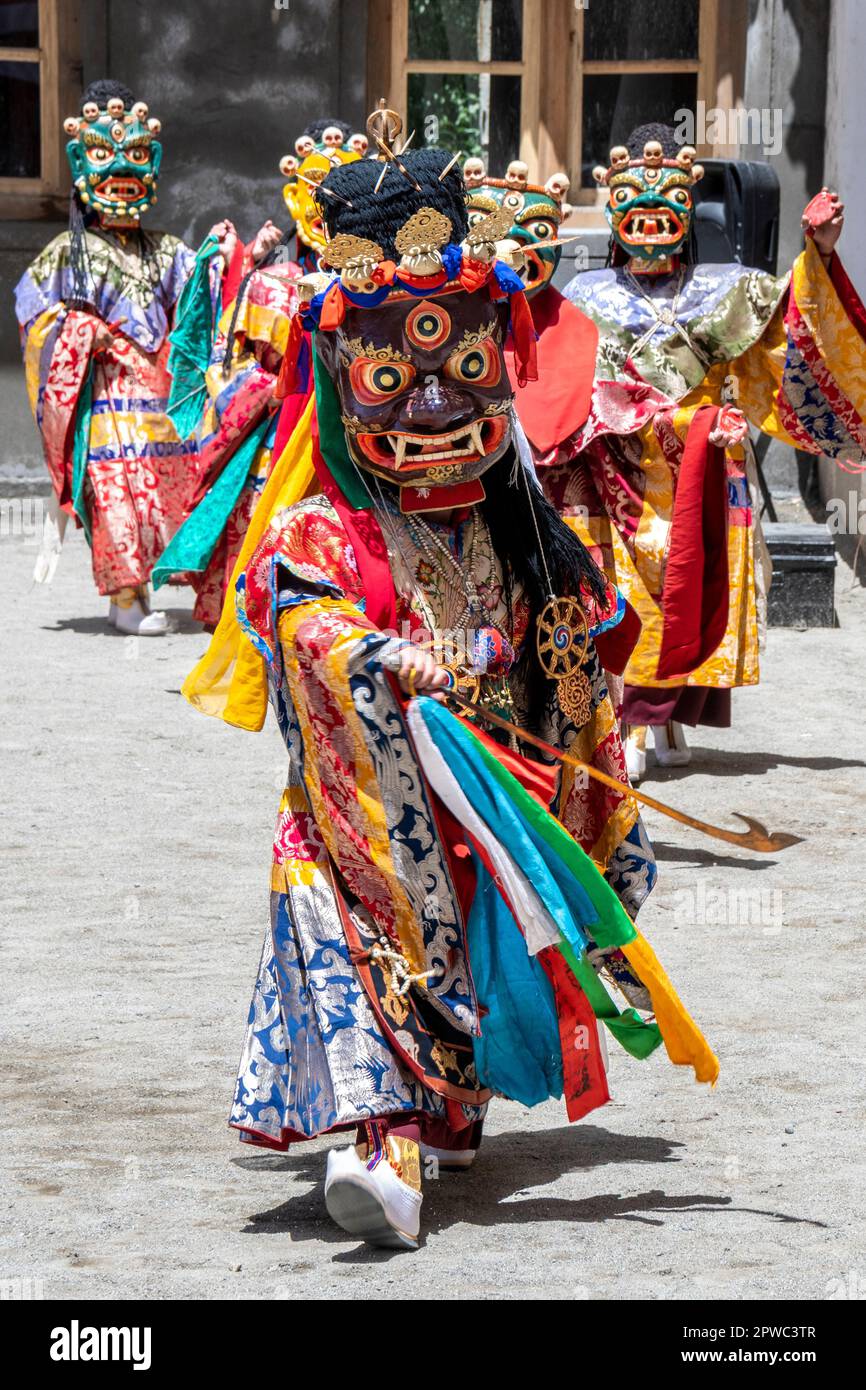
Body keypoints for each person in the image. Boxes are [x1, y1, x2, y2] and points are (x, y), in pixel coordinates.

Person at [184, 121, 718, 1251]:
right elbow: (293, 600)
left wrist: (564, 644)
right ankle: (382, 1146)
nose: (432, 407)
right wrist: (374, 652)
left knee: (485, 944)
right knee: (347, 939)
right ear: (344, 382)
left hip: (485, 799)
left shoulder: (514, 527)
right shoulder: (325, 521)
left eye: (463, 371)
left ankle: (451, 1108)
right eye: (394, 378)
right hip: (366, 814)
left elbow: (568, 639)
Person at [542, 123, 866, 781]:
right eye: (635, 207)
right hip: (616, 468)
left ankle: (665, 717)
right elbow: (555, 377)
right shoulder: (586, 297)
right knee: (622, 595)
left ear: (688, 209)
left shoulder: (729, 291)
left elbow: (791, 328)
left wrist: (819, 255)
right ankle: (632, 722)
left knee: (694, 588)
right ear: (612, 207)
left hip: (704, 461)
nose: (650, 222)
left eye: (666, 209)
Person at [14, 79, 227, 635]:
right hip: (104, 392)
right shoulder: (66, 252)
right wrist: (81, 330)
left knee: (176, 485)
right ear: (83, 171)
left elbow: (200, 303)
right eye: (108, 158)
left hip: (160, 393)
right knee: (114, 491)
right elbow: (33, 318)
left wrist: (220, 258)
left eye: (135, 157)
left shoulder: (164, 248)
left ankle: (189, 589)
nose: (124, 174)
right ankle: (127, 599)